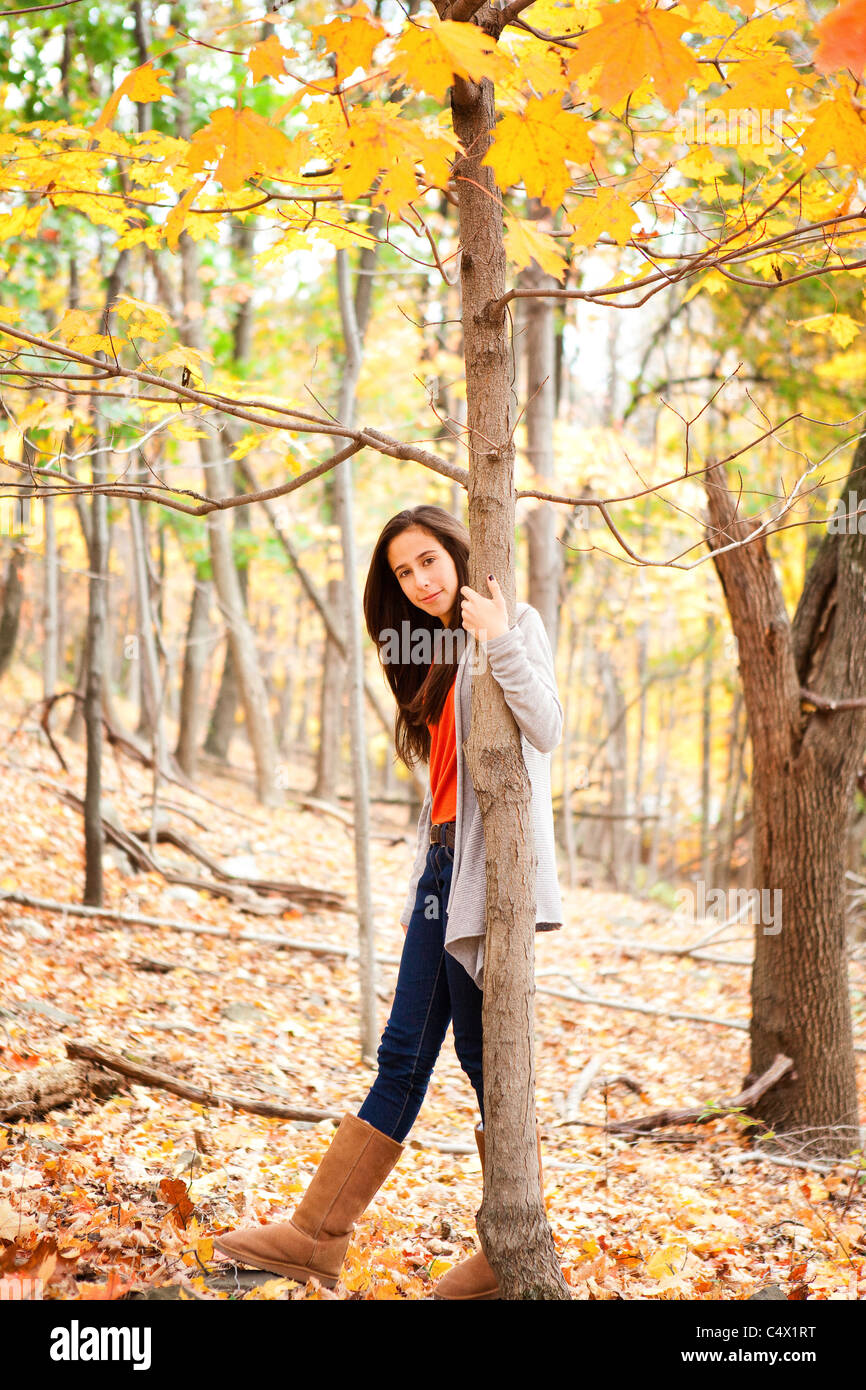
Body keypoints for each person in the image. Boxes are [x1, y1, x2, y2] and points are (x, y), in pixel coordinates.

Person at [213, 505, 564, 1299]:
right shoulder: (434, 653)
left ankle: (509, 1246)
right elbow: (443, 798)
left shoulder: (514, 623)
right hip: (443, 876)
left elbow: (547, 726)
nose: (421, 581)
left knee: (485, 1062)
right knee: (405, 1055)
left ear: (459, 552)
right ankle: (315, 1237)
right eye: (405, 573)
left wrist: (500, 636)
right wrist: (421, 890)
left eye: (430, 560)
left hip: (489, 884)